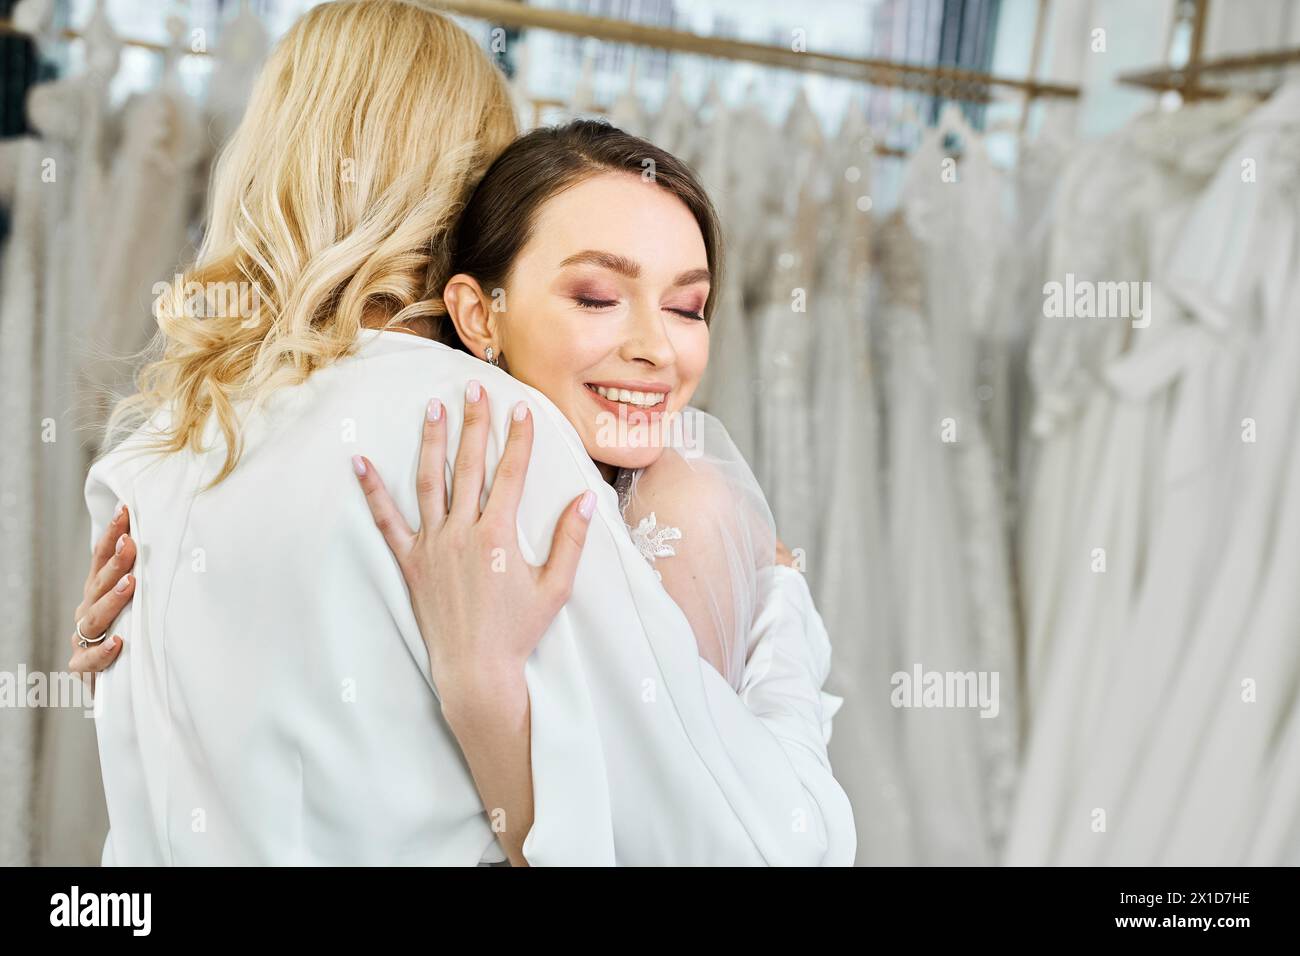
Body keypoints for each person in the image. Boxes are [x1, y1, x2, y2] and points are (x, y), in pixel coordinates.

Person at [73, 1, 854, 866]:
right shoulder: (484, 435)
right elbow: (756, 844)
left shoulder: (165, 448)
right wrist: (782, 623)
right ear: (469, 183)